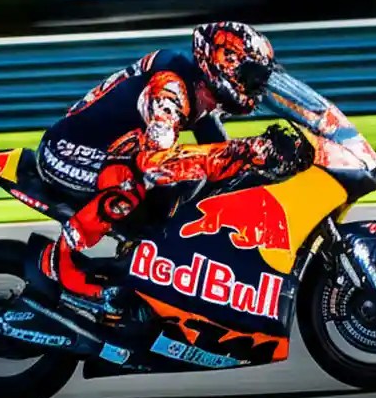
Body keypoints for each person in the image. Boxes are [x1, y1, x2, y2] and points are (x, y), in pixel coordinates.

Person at [33, 21, 314, 317]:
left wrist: (259, 162)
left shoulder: (200, 90)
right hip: (65, 152)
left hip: (110, 151)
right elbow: (156, 164)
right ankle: (57, 263)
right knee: (135, 178)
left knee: (198, 184)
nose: (255, 87)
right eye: (250, 77)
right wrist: (244, 151)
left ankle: (144, 270)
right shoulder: (171, 89)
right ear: (222, 66)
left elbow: (220, 162)